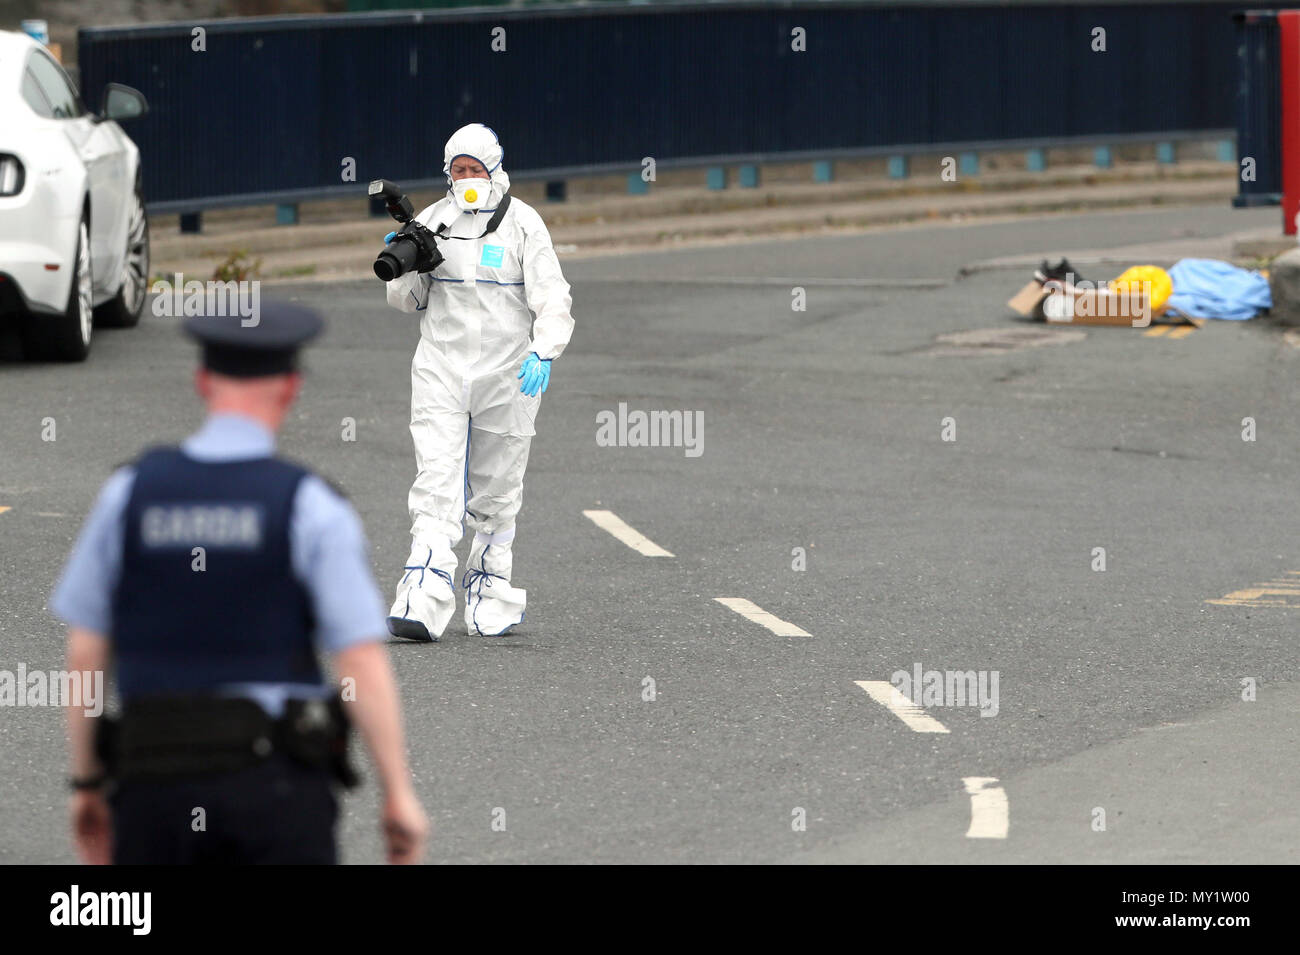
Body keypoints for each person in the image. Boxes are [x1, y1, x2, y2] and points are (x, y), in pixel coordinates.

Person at [50, 301, 428, 865]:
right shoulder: (310, 506)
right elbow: (359, 661)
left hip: (154, 789)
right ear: (291, 388)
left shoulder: (129, 494)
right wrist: (397, 794)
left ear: (202, 381)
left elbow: (86, 650)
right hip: (274, 791)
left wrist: (86, 783)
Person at [383, 123, 574, 641]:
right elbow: (407, 303)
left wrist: (544, 350)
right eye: (458, 170)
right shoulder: (432, 219)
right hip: (441, 370)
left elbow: (552, 298)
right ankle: (422, 593)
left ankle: (490, 590)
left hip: (508, 375)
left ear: (495, 170)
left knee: (496, 488)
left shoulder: (523, 225)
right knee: (436, 481)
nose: (467, 179)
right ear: (447, 173)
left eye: (476, 170)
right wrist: (406, 267)